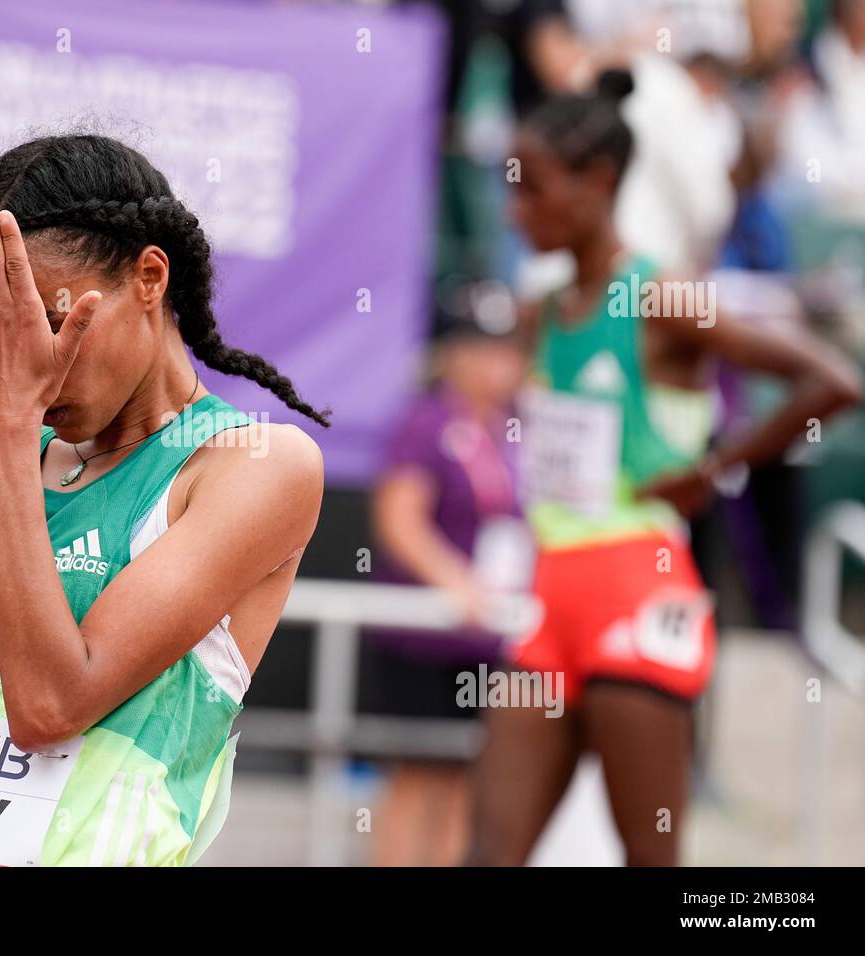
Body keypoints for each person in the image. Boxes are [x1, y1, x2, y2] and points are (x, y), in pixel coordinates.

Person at [0, 134, 326, 867]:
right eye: (5, 330)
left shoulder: (250, 465)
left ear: (150, 278)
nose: (32, 360)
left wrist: (8, 425)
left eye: (53, 320)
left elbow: (49, 707)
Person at [468, 71, 861, 866]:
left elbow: (836, 381)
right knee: (487, 856)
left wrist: (714, 469)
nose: (515, 212)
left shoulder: (662, 299)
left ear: (597, 184)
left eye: (532, 191)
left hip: (637, 594)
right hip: (548, 601)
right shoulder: (541, 313)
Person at [363, 286, 531, 866]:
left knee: (467, 780)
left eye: (507, 350)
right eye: (482, 350)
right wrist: (455, 581)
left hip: (489, 635)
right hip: (425, 634)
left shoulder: (515, 429)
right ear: (450, 356)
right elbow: (399, 521)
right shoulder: (425, 423)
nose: (499, 364)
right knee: (416, 775)